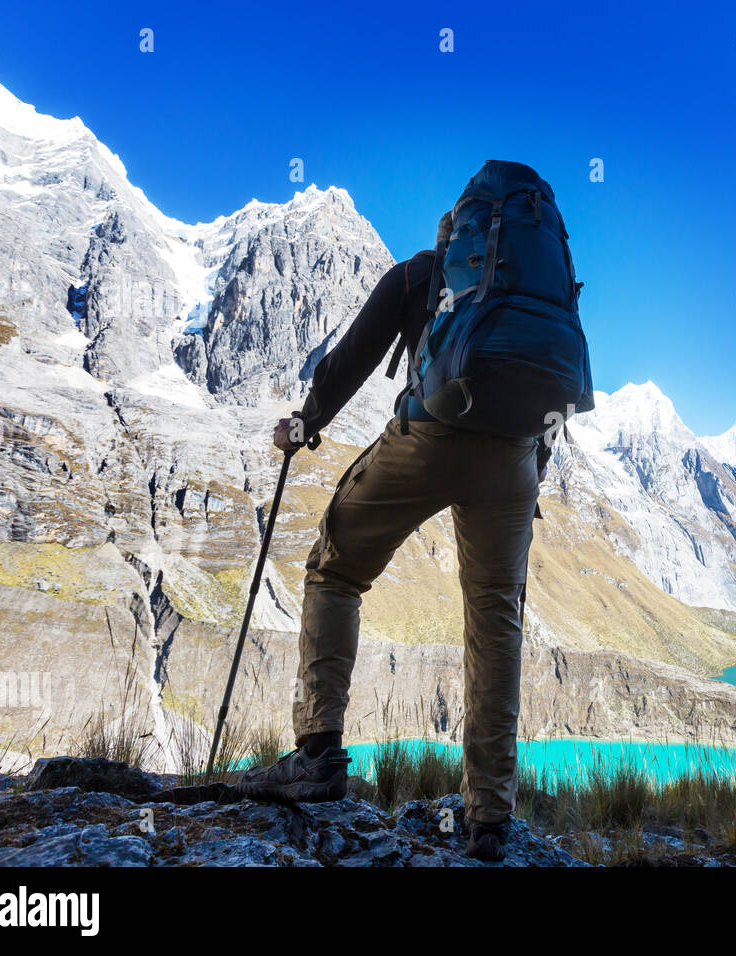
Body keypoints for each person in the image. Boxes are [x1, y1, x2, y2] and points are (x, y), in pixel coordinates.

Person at [235, 211, 551, 863]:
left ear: (450, 238)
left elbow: (353, 357)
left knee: (337, 569)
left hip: (431, 433)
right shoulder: (537, 299)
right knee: (496, 620)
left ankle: (318, 754)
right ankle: (490, 817)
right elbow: (558, 400)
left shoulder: (416, 274)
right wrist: (528, 476)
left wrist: (305, 424)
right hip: (515, 457)